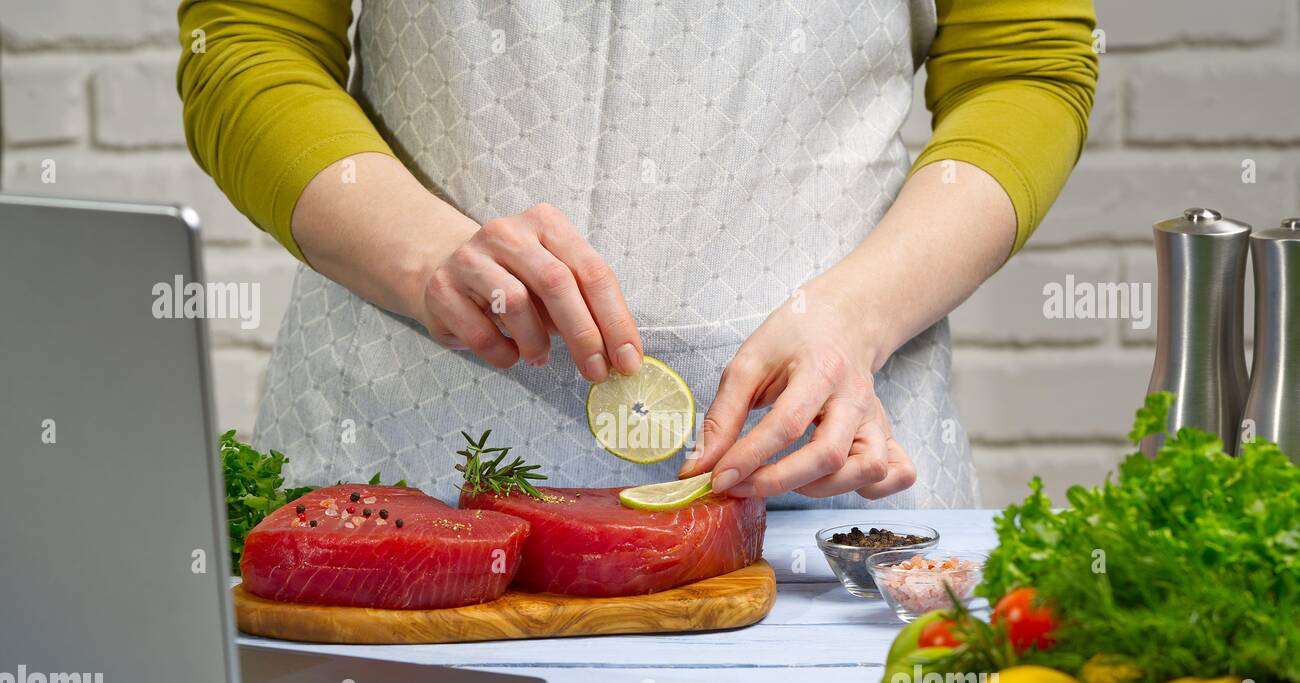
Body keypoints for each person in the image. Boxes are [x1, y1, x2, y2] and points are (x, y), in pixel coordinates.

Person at [178, 0, 1097, 508]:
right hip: (404, 461)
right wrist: (427, 256)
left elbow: (1021, 68)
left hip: (819, 460)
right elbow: (248, 41)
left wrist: (859, 316)